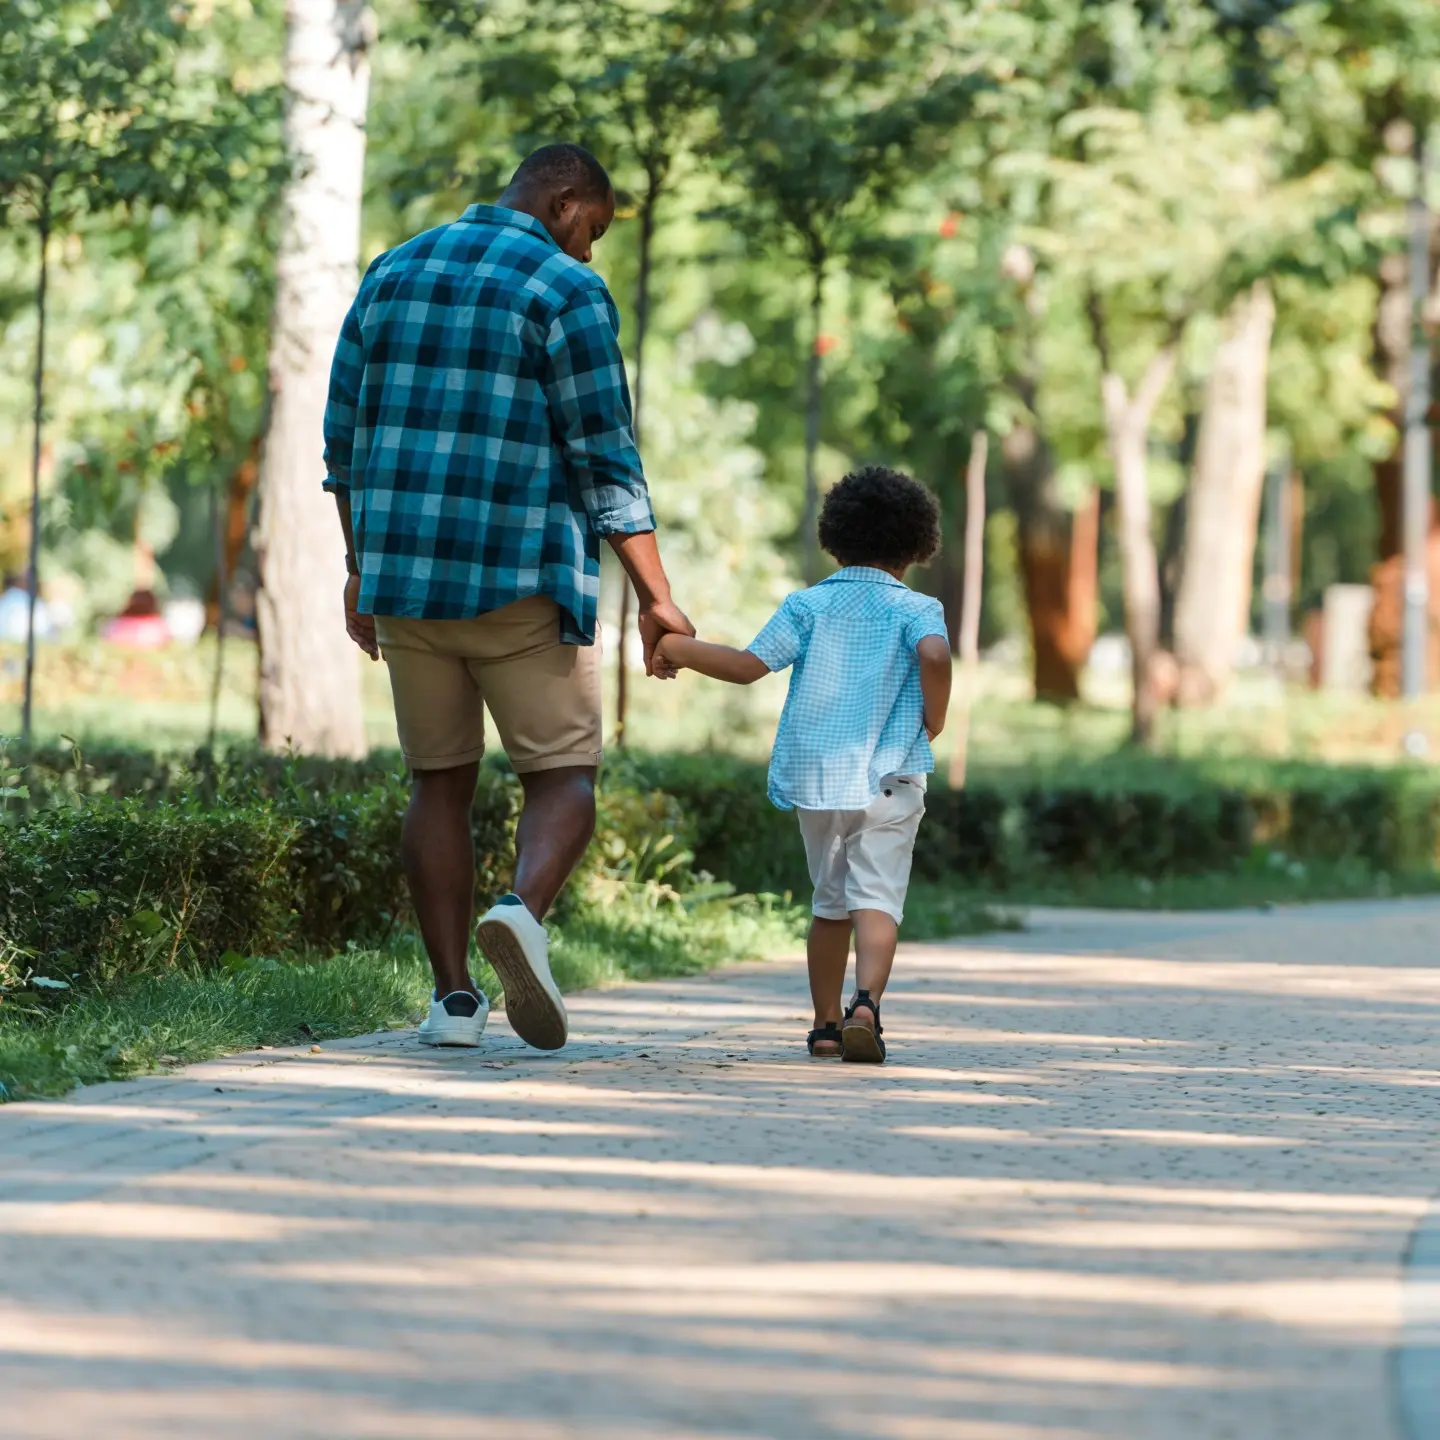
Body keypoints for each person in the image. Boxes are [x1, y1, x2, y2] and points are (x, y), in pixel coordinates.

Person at [323, 143, 692, 1052]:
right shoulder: (564, 291)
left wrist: (360, 566)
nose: (592, 251)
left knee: (435, 783)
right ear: (565, 202)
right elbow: (606, 457)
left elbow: (344, 438)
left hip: (406, 580)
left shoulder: (393, 269)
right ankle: (519, 911)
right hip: (521, 582)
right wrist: (657, 598)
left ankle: (451, 1003)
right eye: (595, 229)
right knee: (563, 775)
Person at [654, 466, 951, 1064]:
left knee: (829, 902)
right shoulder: (918, 607)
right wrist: (934, 718)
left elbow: (746, 666)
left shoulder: (808, 604)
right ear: (918, 543)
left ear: (834, 534)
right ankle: (865, 1005)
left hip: (820, 779)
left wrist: (674, 648)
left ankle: (822, 1025)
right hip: (891, 776)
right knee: (878, 898)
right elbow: (936, 653)